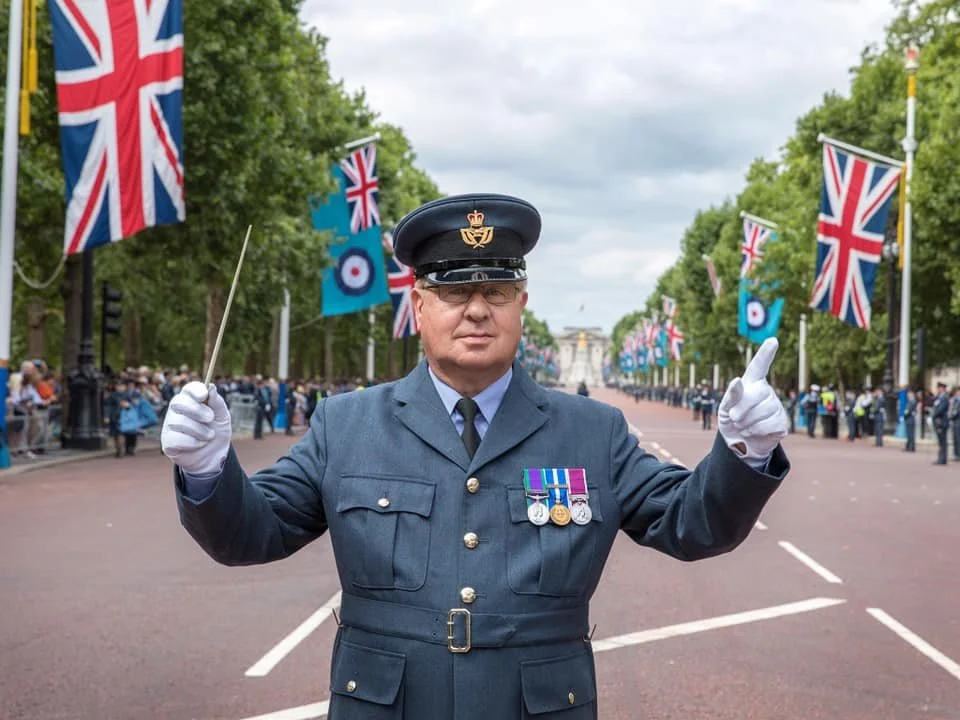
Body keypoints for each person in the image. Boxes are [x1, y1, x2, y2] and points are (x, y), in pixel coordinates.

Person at [160, 194, 791, 719]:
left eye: (497, 288)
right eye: (455, 291)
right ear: (419, 305)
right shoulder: (345, 424)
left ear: (522, 302)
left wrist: (743, 451)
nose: (477, 309)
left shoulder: (593, 430)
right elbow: (252, 534)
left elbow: (692, 522)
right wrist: (208, 469)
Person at [931, 381, 950, 465]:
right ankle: (940, 458)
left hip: (942, 421)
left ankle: (942, 459)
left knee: (943, 442)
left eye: (939, 388)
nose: (937, 389)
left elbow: (940, 410)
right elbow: (934, 405)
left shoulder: (944, 398)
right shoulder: (939, 398)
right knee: (940, 441)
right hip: (938, 421)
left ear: (942, 389)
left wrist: (934, 415)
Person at [950, 387, 960, 461]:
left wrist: (951, 416)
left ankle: (958, 454)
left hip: (958, 422)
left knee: (958, 439)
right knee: (955, 439)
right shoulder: (956, 400)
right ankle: (956, 454)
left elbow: (956, 412)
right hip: (955, 422)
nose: (957, 393)